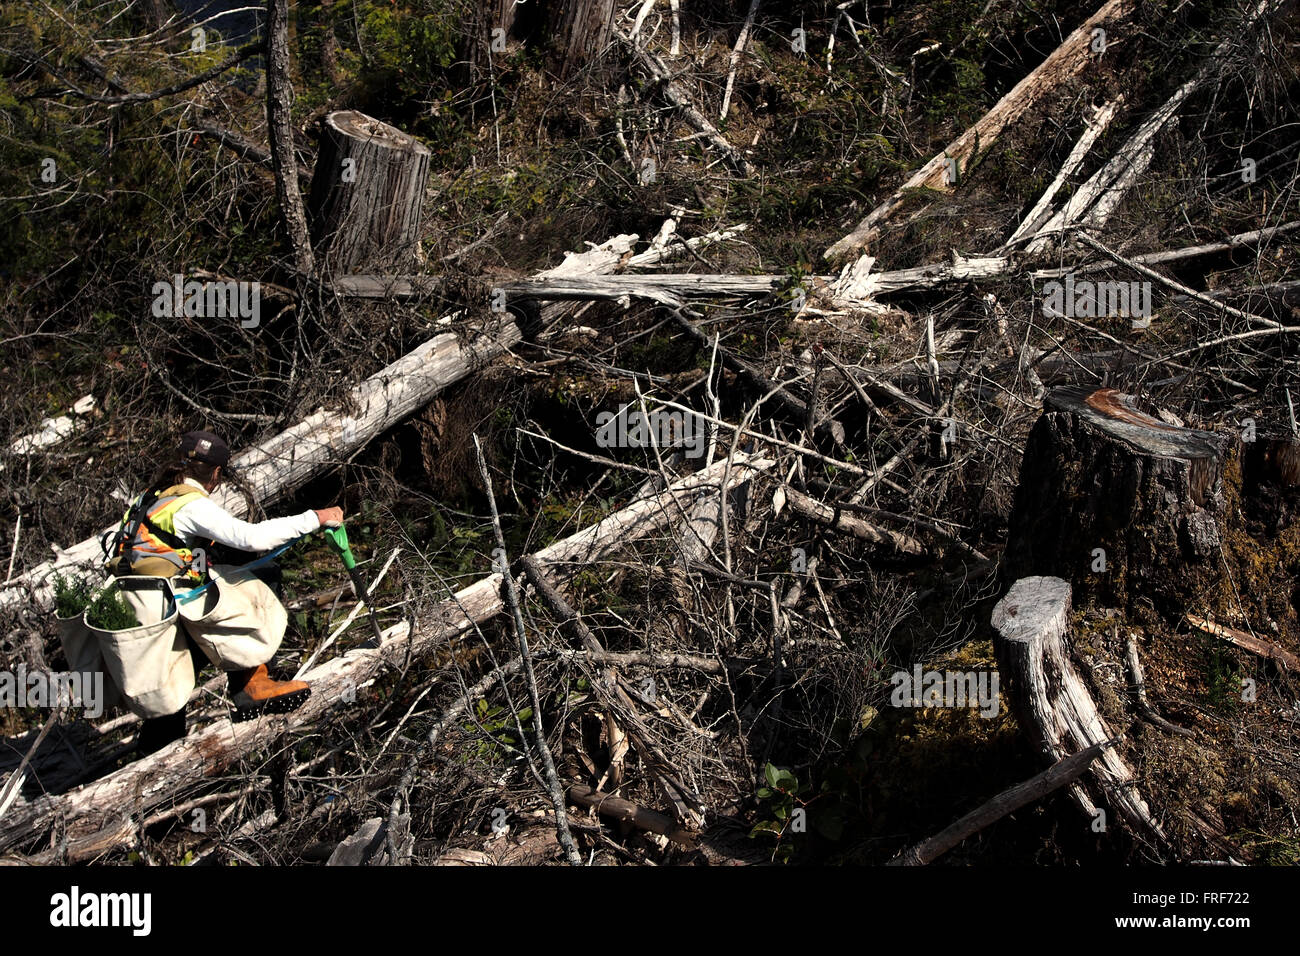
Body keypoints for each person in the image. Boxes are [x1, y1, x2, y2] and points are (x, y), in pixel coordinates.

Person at [104, 429, 343, 754]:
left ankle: (154, 759)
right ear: (216, 473)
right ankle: (252, 684)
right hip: (166, 607)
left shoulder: (150, 498)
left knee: (171, 692)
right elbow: (252, 538)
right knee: (263, 573)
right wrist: (315, 518)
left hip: (140, 608)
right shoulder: (190, 505)